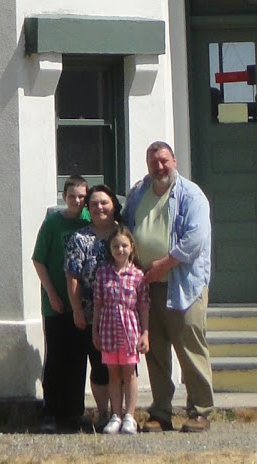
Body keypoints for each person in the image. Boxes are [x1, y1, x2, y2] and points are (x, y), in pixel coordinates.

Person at [122, 141, 213, 433]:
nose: (159, 167)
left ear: (174, 160)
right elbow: (125, 228)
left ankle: (200, 411)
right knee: (156, 351)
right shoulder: (139, 193)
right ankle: (161, 412)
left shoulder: (191, 195)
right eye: (153, 162)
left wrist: (164, 264)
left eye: (164, 160)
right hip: (147, 287)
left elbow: (195, 240)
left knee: (190, 348)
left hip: (182, 285)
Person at [31, 175, 89, 432]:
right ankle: (51, 412)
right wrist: (52, 294)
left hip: (82, 304)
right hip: (56, 303)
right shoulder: (53, 224)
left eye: (82, 196)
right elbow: (39, 260)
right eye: (72, 196)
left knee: (78, 358)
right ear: (64, 197)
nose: (77, 201)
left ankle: (73, 412)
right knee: (56, 357)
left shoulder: (89, 221)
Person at [64, 182, 121, 429]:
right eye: (94, 204)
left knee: (122, 365)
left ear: (113, 205)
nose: (99, 208)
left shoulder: (124, 235)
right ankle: (104, 413)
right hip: (90, 314)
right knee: (99, 366)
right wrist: (77, 309)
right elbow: (72, 275)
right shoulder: (80, 238)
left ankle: (122, 414)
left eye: (104, 202)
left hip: (122, 314)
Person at [92, 225, 150, 436]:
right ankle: (115, 415)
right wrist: (95, 330)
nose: (120, 250)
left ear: (131, 247)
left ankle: (129, 416)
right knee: (113, 374)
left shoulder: (138, 275)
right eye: (116, 246)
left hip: (130, 329)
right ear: (110, 248)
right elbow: (98, 304)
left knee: (129, 373)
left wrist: (145, 333)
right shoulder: (103, 273)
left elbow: (143, 305)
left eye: (124, 245)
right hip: (108, 328)